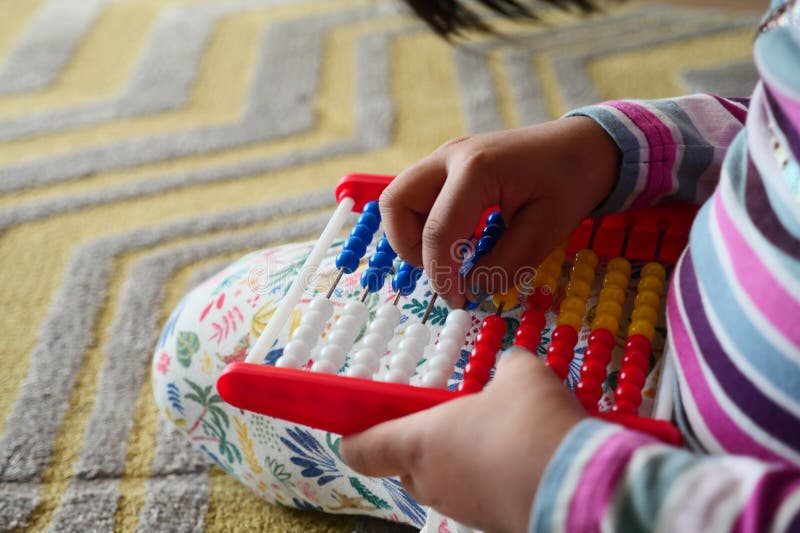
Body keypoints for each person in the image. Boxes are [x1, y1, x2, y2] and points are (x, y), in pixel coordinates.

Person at [151, 0, 800, 531]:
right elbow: (775, 130)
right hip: (662, 323)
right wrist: (617, 150)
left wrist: (570, 485)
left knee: (223, 386)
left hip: (655, 496)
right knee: (211, 335)